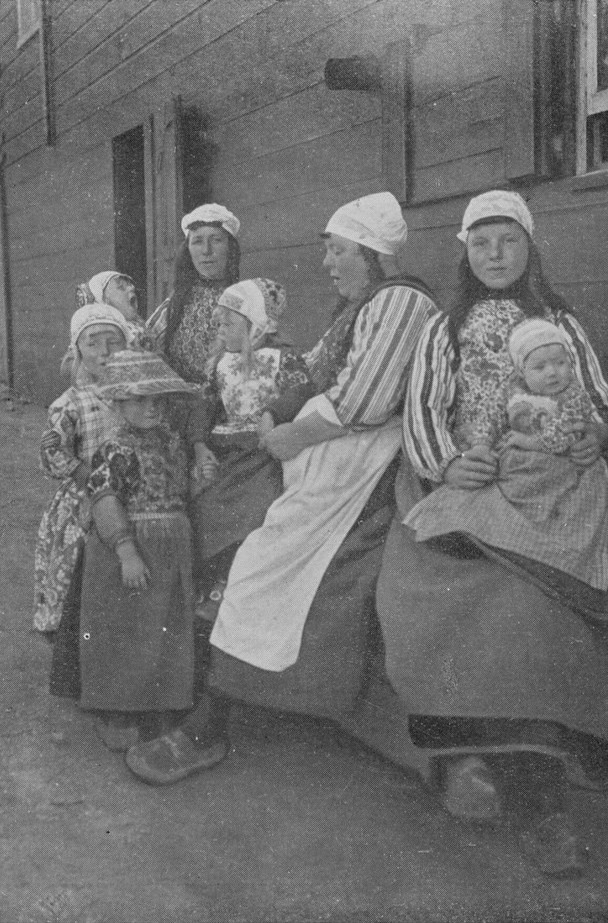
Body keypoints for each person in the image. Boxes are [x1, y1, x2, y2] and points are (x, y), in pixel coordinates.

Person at [125, 192, 438, 787]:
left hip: (360, 458)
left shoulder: (402, 301)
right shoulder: (359, 306)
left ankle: (212, 720)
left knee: (267, 557)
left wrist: (293, 432)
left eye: (339, 251)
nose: (328, 263)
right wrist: (278, 409)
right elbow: (311, 368)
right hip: (326, 445)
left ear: (372, 252)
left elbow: (365, 402)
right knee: (224, 509)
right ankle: (184, 676)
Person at [377, 189, 608, 877]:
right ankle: (533, 797)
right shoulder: (445, 326)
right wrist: (447, 461)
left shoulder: (560, 321)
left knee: (556, 595)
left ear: (529, 247)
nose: (496, 254)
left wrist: (591, 437)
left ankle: (562, 765)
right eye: (482, 242)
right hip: (474, 480)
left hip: (555, 482)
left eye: (509, 240)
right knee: (500, 603)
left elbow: (595, 397)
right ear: (466, 253)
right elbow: (421, 409)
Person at [404, 316, 608, 592]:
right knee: (471, 509)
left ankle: (552, 563)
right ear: (522, 371)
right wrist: (477, 446)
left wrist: (596, 433)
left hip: (562, 466)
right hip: (506, 465)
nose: (552, 373)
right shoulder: (510, 387)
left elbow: (579, 420)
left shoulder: (571, 389)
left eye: (560, 364)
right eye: (540, 367)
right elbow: (486, 417)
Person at [78, 350, 198, 751]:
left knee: (165, 626)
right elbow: (104, 498)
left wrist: (199, 478)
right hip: (131, 547)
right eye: (139, 400)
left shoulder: (171, 441)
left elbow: (178, 488)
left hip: (171, 547)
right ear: (118, 402)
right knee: (125, 628)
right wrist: (126, 550)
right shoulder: (116, 448)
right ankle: (117, 712)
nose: (151, 408)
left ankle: (159, 706)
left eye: (157, 399)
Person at [189, 278, 311, 618]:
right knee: (206, 504)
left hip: (261, 453)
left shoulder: (283, 358)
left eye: (228, 323)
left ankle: (233, 586)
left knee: (257, 508)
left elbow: (301, 390)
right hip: (226, 450)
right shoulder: (220, 364)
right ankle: (209, 585)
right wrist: (199, 444)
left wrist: (274, 412)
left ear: (254, 325)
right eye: (219, 323)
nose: (220, 329)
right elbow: (205, 406)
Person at [33, 303, 130, 638]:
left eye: (113, 342)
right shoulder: (71, 403)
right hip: (86, 498)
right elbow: (53, 450)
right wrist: (82, 472)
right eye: (93, 343)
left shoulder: (135, 395)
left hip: (131, 494)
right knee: (81, 568)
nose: (104, 352)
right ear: (78, 351)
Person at [146, 203, 241, 385]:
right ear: (188, 250)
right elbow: (145, 346)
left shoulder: (244, 301)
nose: (206, 250)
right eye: (197, 241)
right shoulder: (176, 302)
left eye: (216, 240)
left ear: (230, 248)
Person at [75, 271, 152, 348]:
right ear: (103, 302)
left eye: (129, 284)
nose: (132, 287)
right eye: (121, 287)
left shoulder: (142, 328)